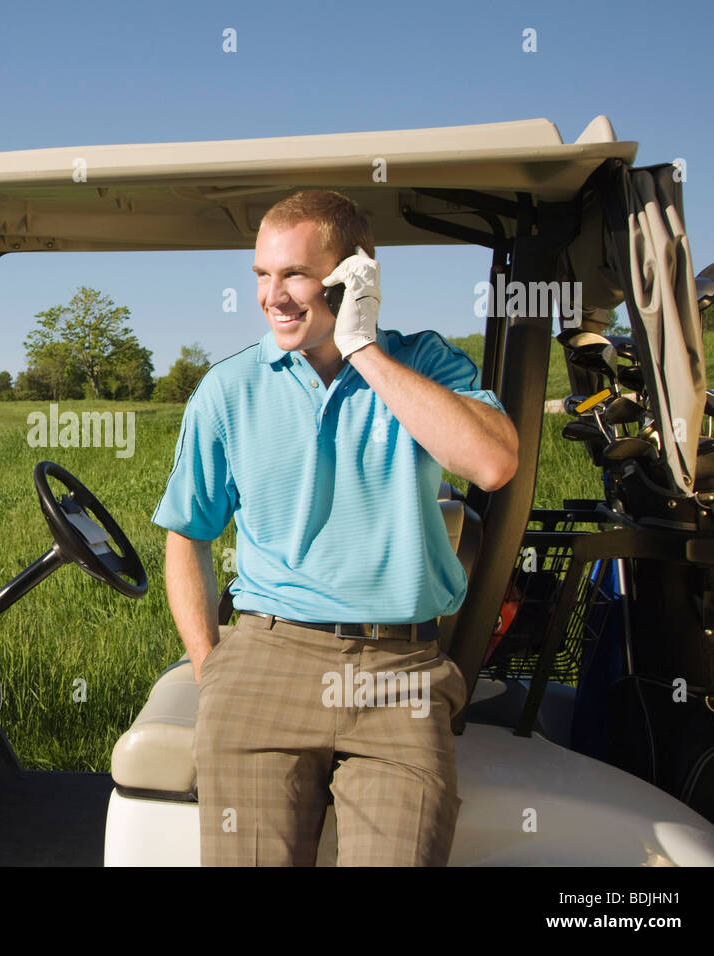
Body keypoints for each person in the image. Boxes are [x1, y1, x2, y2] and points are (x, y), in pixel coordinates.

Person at [152, 189, 518, 866]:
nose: (274, 296)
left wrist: (362, 349)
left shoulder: (424, 362)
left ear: (356, 276)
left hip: (401, 671)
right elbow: (186, 537)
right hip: (266, 660)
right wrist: (212, 670)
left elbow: (493, 463)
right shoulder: (228, 389)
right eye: (263, 274)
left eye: (294, 273)